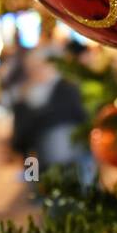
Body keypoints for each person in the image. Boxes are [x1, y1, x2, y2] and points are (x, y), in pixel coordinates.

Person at [20, 48, 92, 184]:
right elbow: (23, 134)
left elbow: (80, 117)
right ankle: (37, 185)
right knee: (32, 155)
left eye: (41, 67)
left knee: (58, 138)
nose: (37, 72)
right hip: (36, 152)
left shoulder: (67, 88)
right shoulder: (27, 93)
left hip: (67, 151)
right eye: (34, 68)